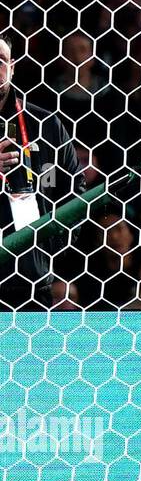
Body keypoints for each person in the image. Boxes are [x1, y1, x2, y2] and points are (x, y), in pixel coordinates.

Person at [0, 33, 87, 308]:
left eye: (0, 60)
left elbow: (75, 192)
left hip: (32, 281)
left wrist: (49, 248)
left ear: (12, 66)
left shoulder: (46, 125)